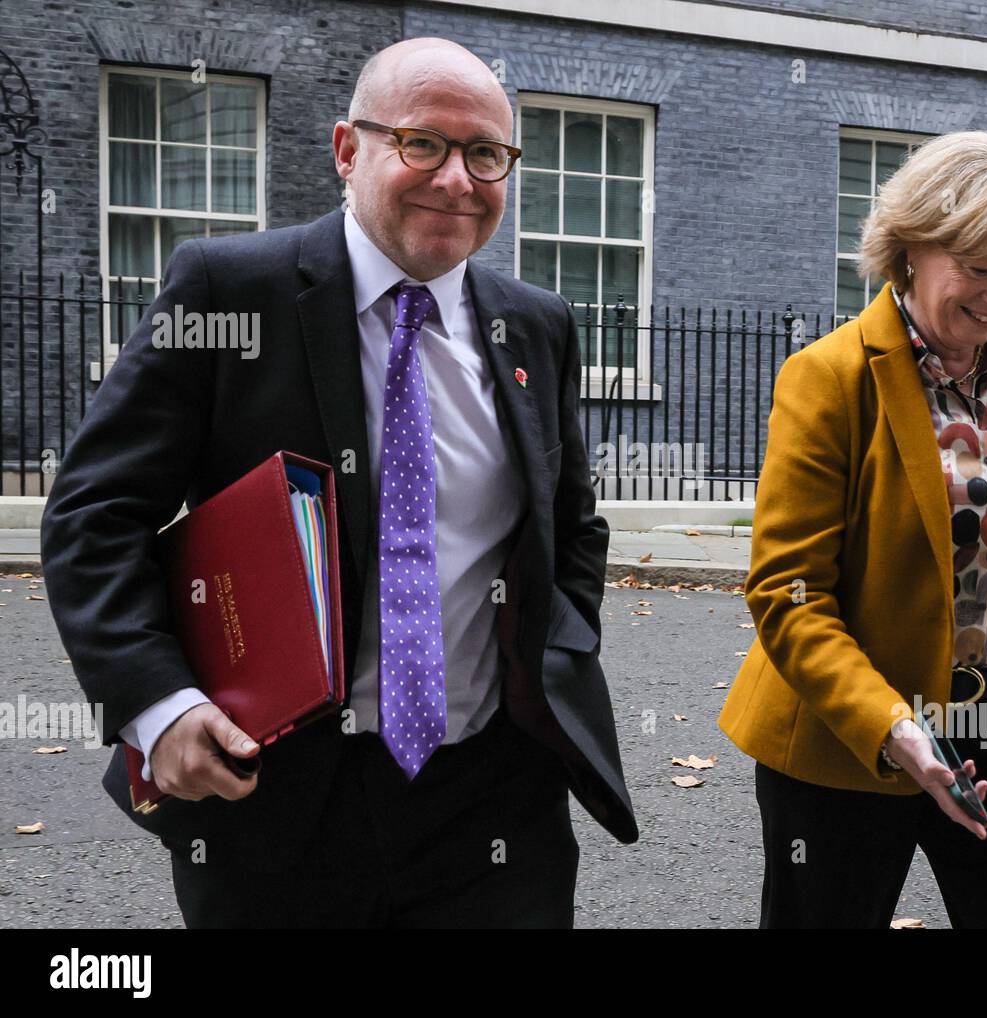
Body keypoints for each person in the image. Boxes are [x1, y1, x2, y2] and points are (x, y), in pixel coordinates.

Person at [40, 37, 637, 928]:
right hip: (274, 801)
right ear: (348, 150)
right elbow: (96, 512)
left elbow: (572, 524)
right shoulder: (226, 291)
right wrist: (158, 706)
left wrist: (549, 655)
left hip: (493, 804)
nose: (458, 180)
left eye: (487, 154)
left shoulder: (536, 326)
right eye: (422, 143)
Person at [718, 130, 987, 929]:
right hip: (849, 738)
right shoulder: (829, 379)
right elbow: (788, 596)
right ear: (910, 248)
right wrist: (897, 728)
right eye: (979, 269)